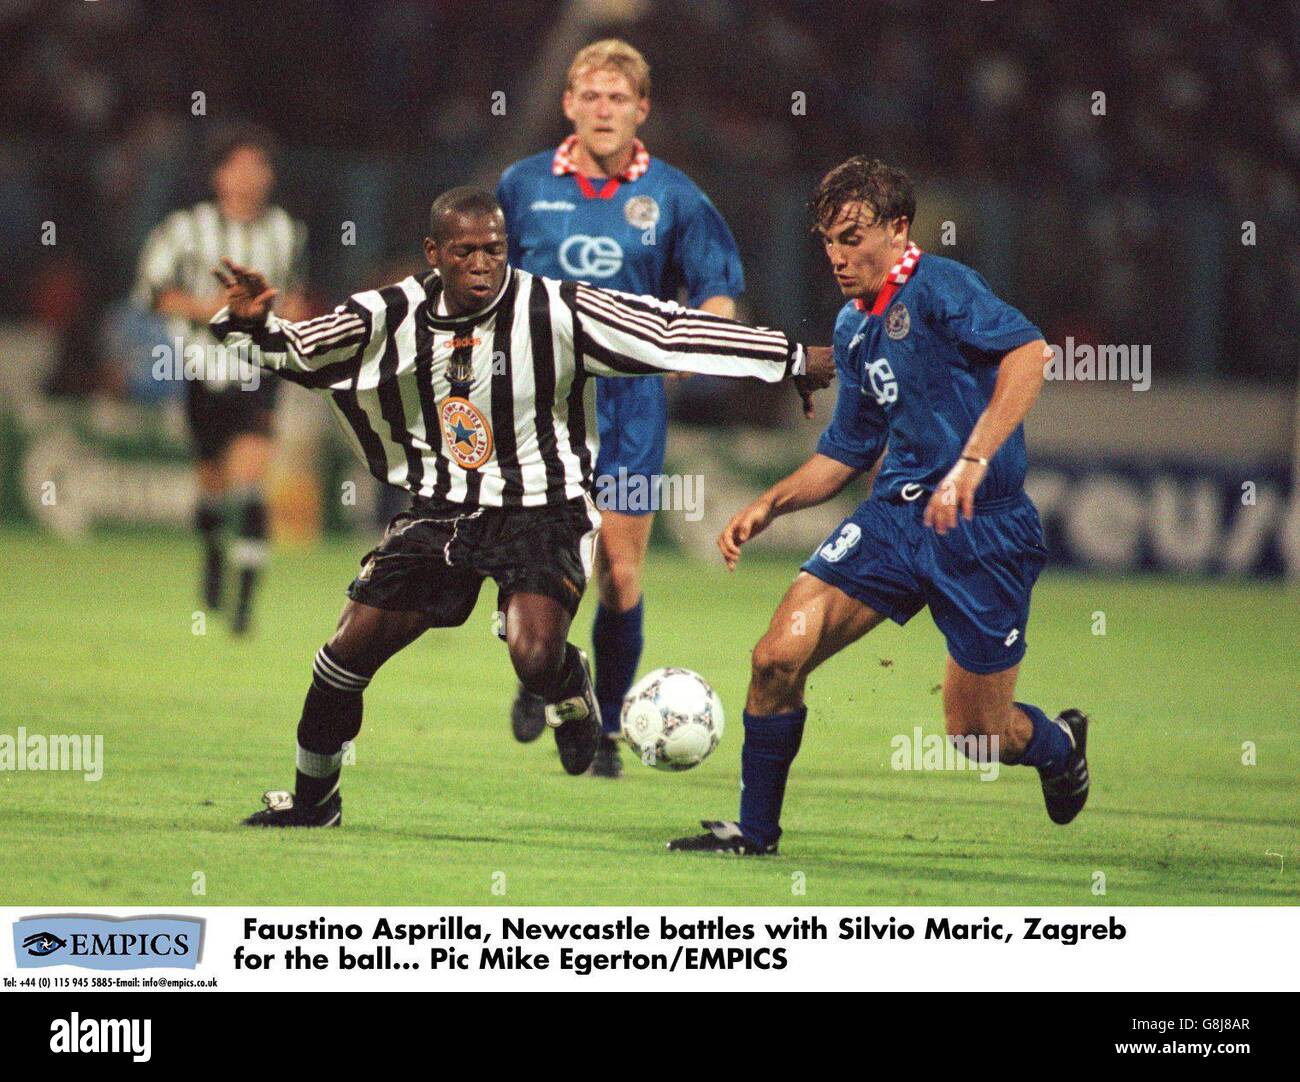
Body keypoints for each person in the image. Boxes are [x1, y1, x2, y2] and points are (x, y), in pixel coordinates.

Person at [208, 186, 832, 827]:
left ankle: (566, 687)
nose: (482, 263)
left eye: (495, 250)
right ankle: (315, 805)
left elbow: (666, 332)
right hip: (440, 510)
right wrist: (256, 325)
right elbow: (309, 354)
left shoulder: (555, 308)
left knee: (533, 656)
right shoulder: (392, 311)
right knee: (343, 657)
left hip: (544, 508)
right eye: (466, 251)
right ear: (434, 253)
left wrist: (785, 357)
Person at [668, 157, 1090, 856]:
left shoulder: (942, 287)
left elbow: (1030, 353)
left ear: (898, 229)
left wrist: (973, 459)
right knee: (777, 657)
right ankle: (755, 832)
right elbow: (846, 452)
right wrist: (769, 503)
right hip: (895, 519)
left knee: (977, 734)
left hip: (983, 531)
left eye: (852, 236)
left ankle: (1057, 744)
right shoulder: (852, 329)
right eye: (828, 240)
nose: (837, 255)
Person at [496, 39, 743, 776]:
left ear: (642, 110)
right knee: (526, 556)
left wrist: (698, 346)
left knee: (620, 572)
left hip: (630, 405)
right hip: (537, 403)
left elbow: (718, 294)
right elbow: (484, 280)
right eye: (591, 97)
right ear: (569, 104)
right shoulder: (521, 185)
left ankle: (603, 723)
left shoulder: (673, 196)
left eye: (618, 99)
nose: (604, 111)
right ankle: (541, 672)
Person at [133, 124, 308, 634]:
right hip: (201, 366)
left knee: (252, 477)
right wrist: (207, 309)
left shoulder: (285, 231)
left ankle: (245, 605)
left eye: (258, 166)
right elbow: (150, 291)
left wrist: (289, 319)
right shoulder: (185, 229)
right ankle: (213, 552)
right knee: (212, 480)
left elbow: (293, 293)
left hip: (259, 365)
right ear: (218, 175)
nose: (249, 177)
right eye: (239, 166)